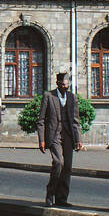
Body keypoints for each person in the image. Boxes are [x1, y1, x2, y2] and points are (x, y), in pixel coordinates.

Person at [37, 72, 83, 207]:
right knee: (58, 163)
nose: (65, 87)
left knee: (67, 167)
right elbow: (41, 120)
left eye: (67, 85)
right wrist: (41, 140)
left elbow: (75, 120)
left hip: (68, 135)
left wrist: (78, 139)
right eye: (63, 84)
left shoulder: (72, 98)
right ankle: (50, 193)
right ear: (57, 84)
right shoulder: (49, 96)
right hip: (54, 134)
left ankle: (62, 198)